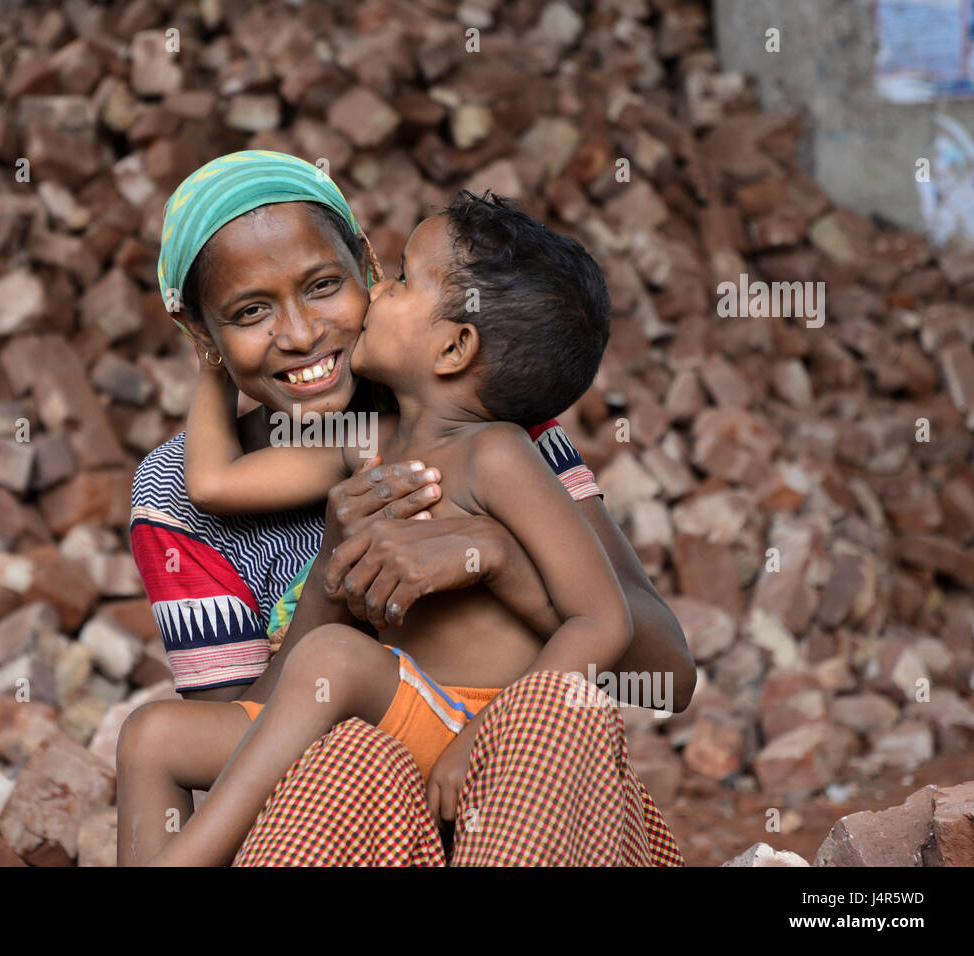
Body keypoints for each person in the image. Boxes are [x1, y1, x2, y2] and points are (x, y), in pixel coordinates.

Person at [120, 150, 692, 866]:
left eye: (334, 284)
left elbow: (659, 672)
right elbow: (215, 489)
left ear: (362, 263)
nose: (298, 335)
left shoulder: (508, 436)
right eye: (248, 312)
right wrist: (334, 563)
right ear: (203, 333)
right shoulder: (351, 446)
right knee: (159, 732)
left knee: (532, 707)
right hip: (338, 798)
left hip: (512, 780)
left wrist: (493, 558)